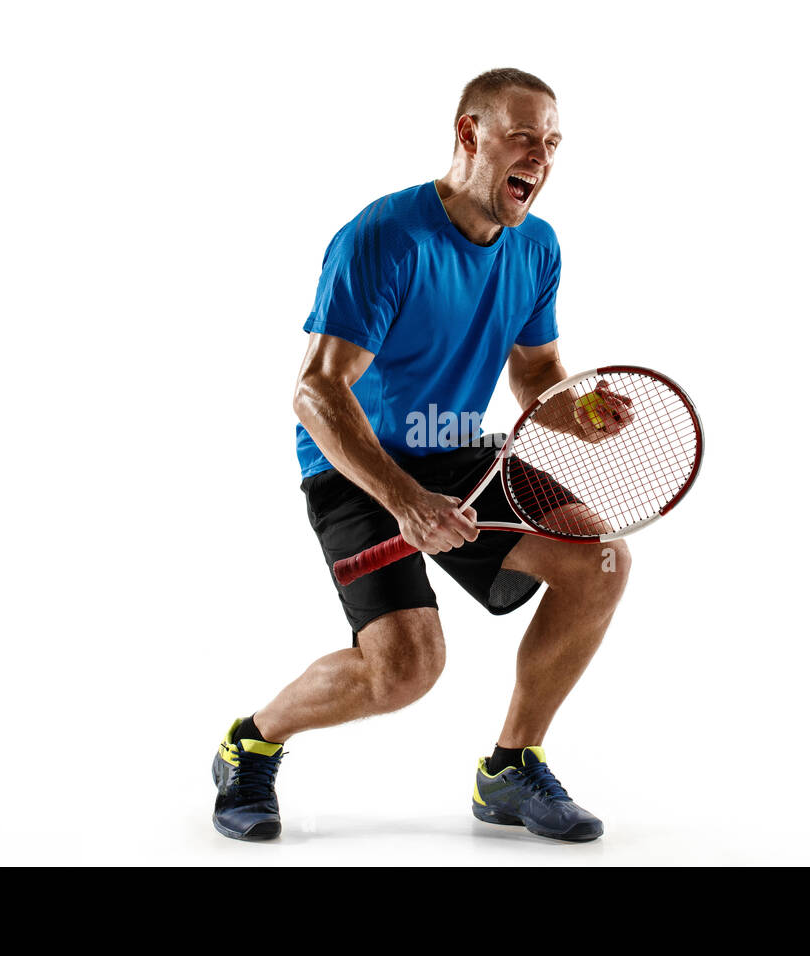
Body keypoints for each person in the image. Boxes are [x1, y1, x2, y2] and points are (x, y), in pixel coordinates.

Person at [212, 68, 633, 843]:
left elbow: (536, 373)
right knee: (405, 671)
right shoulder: (383, 238)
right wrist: (405, 501)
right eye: (521, 137)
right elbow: (315, 391)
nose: (538, 158)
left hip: (457, 450)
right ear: (469, 135)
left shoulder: (535, 246)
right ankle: (252, 742)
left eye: (551, 143)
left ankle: (509, 767)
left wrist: (584, 408)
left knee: (600, 559)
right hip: (354, 460)